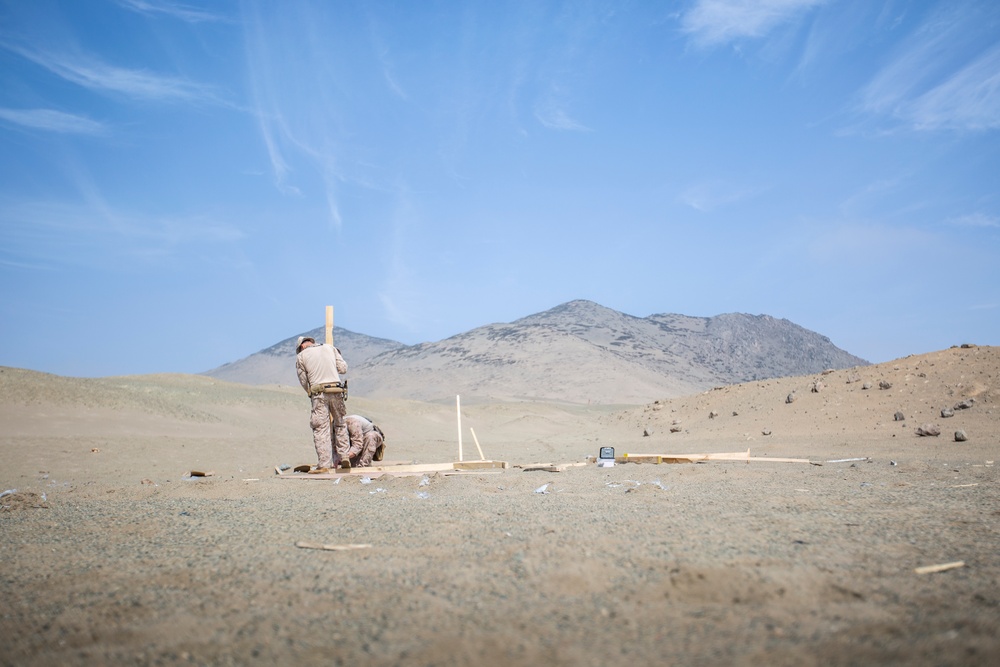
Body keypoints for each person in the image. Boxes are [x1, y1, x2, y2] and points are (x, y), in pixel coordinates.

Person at [295, 336, 350, 472]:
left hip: (319, 393)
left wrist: (309, 392)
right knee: (340, 423)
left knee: (321, 429)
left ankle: (324, 464)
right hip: (337, 390)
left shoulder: (301, 356)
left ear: (301, 346)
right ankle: (344, 456)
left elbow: (303, 380)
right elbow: (343, 369)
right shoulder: (330, 348)